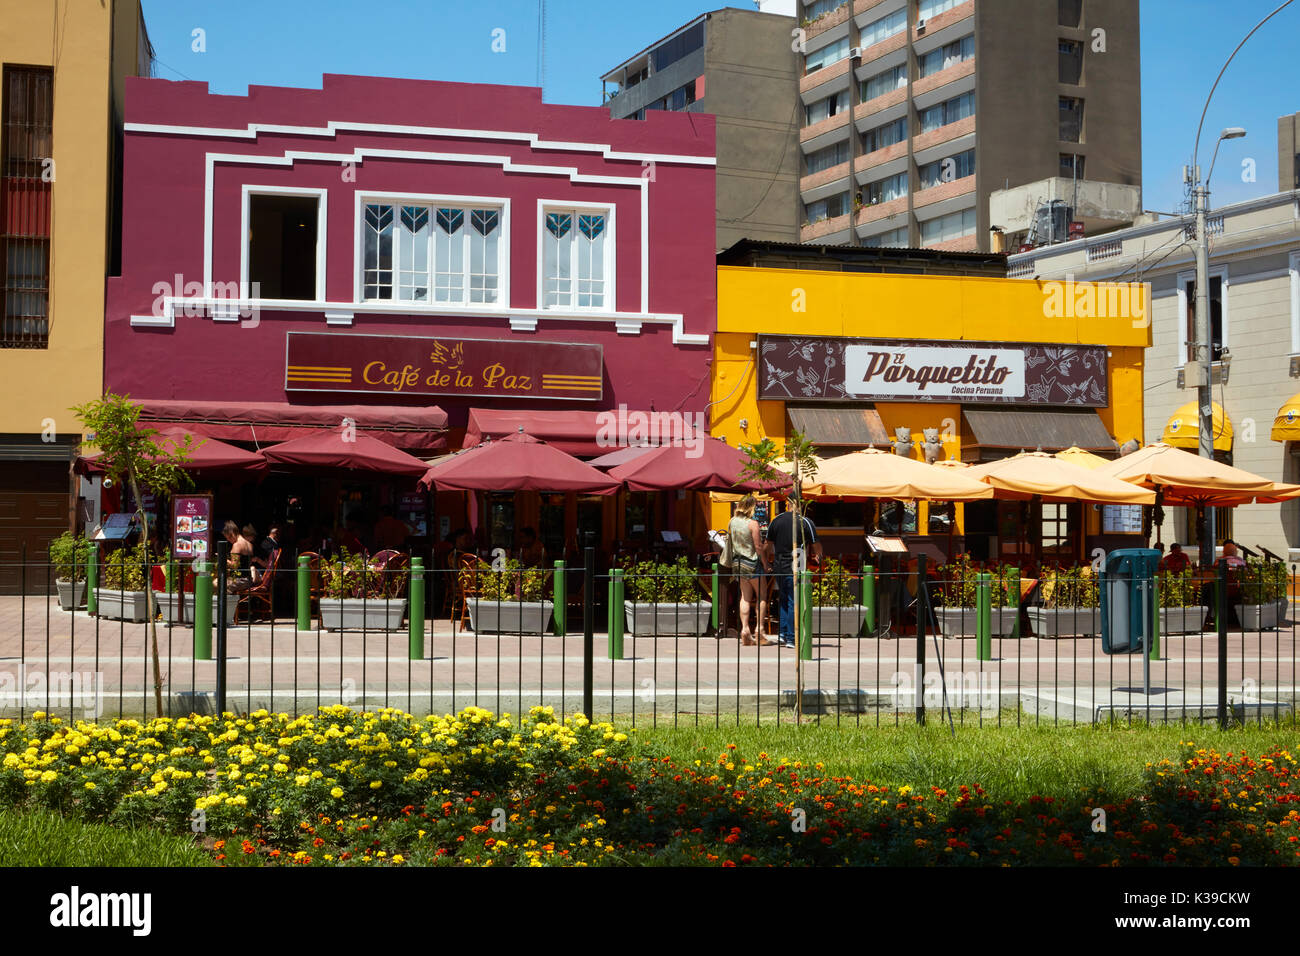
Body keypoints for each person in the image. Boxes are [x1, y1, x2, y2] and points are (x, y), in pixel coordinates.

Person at [766, 503, 823, 648]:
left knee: (784, 599)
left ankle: (783, 633)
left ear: (787, 504)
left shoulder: (776, 520)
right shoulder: (805, 522)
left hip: (779, 565)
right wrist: (819, 555)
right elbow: (815, 543)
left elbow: (767, 544)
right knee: (794, 601)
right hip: (796, 565)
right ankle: (791, 637)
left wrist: (765, 561)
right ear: (799, 504)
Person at [728, 496, 774, 647]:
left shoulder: (732, 521)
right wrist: (766, 563)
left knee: (745, 597)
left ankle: (745, 630)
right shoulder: (752, 523)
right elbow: (758, 547)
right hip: (752, 563)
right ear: (751, 508)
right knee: (762, 596)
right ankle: (760, 631)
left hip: (738, 563)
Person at [224, 520, 255, 593]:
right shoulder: (249, 544)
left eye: (228, 538)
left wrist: (222, 558)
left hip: (240, 580)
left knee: (214, 583)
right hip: (248, 580)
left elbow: (234, 566)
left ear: (232, 534)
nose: (228, 540)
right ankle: (233, 599)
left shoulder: (237, 545)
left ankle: (228, 601)